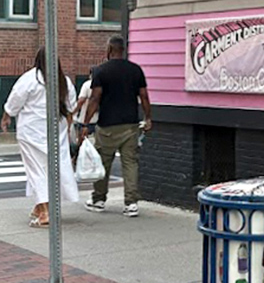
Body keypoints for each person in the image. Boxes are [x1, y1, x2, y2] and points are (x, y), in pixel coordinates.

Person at [1, 48, 79, 227]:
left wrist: (6, 117)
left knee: (36, 171)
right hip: (55, 131)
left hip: (31, 131)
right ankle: (40, 206)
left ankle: (45, 212)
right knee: (53, 169)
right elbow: (71, 107)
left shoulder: (30, 79)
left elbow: (14, 101)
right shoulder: (64, 81)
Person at [79, 35, 151, 218]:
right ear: (123, 50)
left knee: (104, 162)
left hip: (108, 125)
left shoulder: (101, 71)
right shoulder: (136, 70)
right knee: (130, 163)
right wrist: (148, 117)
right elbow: (143, 96)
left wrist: (85, 123)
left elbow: (94, 98)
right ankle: (131, 204)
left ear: (109, 49)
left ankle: (99, 199)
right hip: (130, 124)